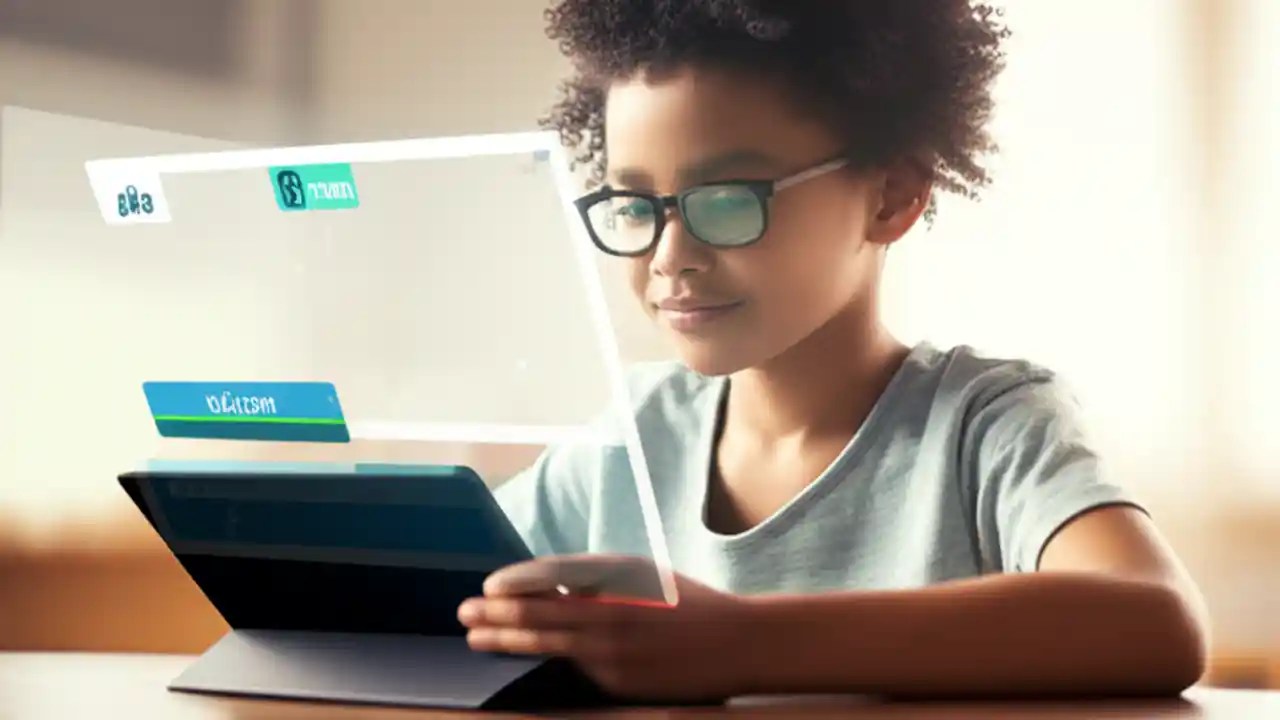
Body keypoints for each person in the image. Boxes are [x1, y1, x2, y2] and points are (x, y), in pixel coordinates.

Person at [457, 0, 1210, 703]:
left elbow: (1158, 620)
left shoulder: (983, 428)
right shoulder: (631, 439)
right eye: (634, 205)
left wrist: (740, 644)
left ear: (891, 196)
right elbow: (437, 586)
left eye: (727, 199)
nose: (670, 256)